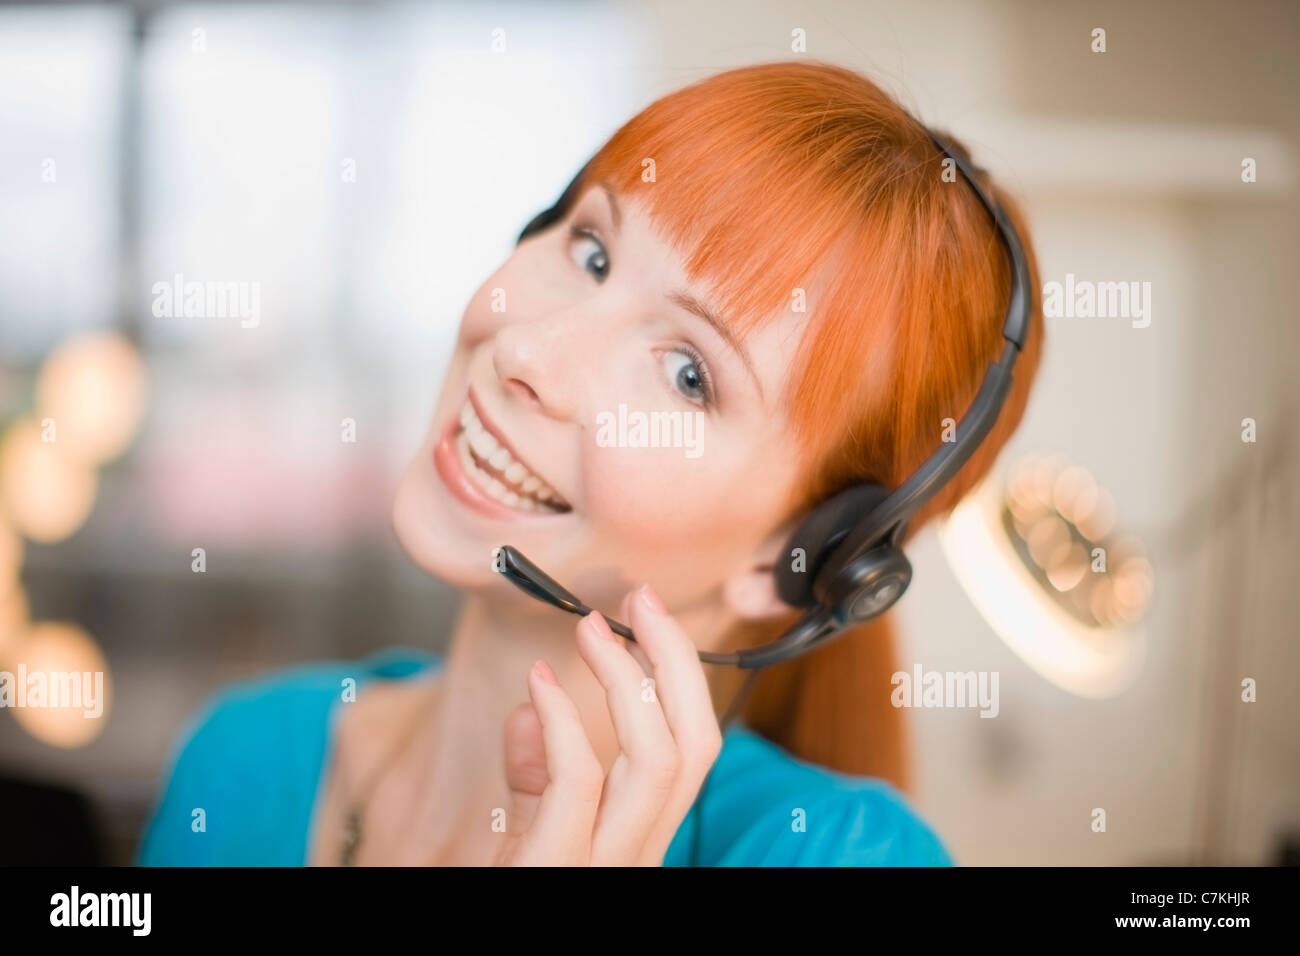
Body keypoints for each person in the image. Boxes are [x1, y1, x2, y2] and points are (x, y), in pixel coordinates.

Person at [137, 59, 1044, 867]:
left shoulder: (844, 859)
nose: (529, 353)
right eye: (592, 250)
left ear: (806, 554)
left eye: (689, 374)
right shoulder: (244, 756)